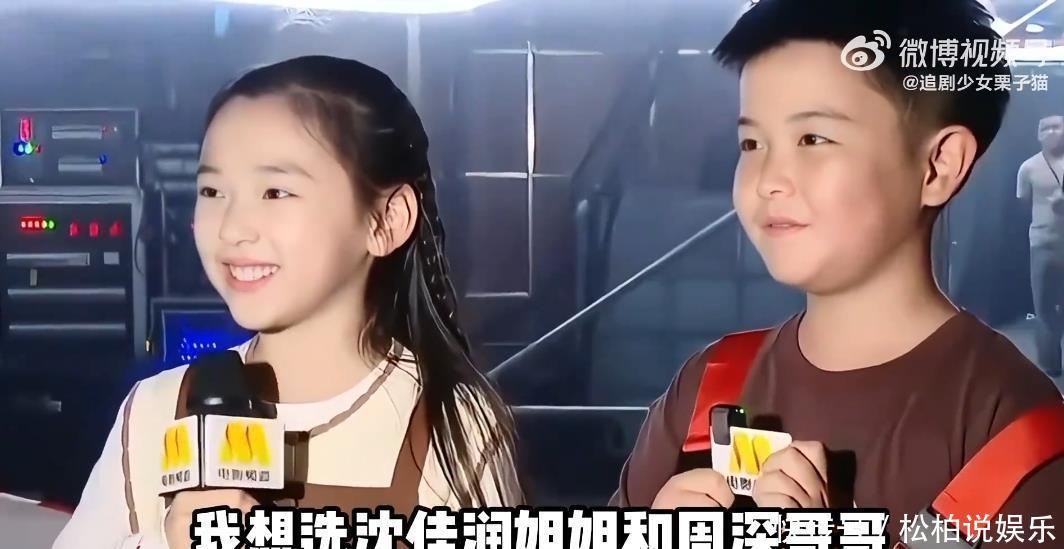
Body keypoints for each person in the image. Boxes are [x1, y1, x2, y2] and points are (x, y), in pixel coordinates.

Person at [612, 0, 1064, 545]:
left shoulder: (1011, 431)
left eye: (813, 139)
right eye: (751, 143)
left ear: (938, 165)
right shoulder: (707, 388)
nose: (767, 179)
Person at [53, 55, 522, 549]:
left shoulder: (454, 425)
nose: (232, 228)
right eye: (212, 190)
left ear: (386, 220)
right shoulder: (156, 411)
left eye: (275, 192)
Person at [1017, 114, 1064, 378]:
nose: (1051, 131)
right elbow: (1024, 203)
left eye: (1056, 126)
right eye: (1045, 128)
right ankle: (1050, 364)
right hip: (1042, 245)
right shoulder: (1028, 167)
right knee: (1044, 307)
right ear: (1037, 134)